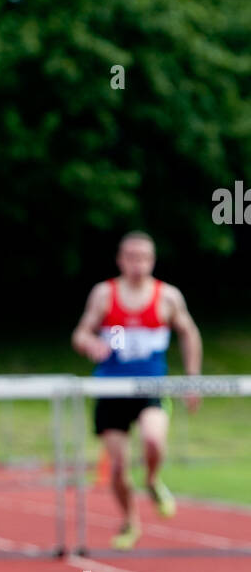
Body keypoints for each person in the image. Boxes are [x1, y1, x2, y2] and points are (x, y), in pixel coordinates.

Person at [71, 231, 202, 549]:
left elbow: (190, 333)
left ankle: (153, 480)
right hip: (112, 389)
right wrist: (91, 344)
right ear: (120, 259)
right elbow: (80, 334)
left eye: (143, 257)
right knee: (117, 468)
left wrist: (193, 378)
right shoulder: (104, 294)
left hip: (150, 387)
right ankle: (130, 519)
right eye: (131, 257)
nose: (137, 264)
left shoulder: (168, 297)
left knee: (153, 440)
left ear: (153, 260)